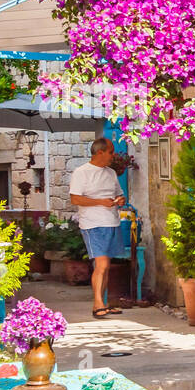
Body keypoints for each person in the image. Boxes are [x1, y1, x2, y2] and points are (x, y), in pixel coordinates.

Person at [69, 137, 126, 319]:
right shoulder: (81, 172)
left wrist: (120, 200)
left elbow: (119, 193)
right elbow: (75, 199)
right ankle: (97, 304)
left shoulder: (111, 173)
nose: (113, 155)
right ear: (99, 153)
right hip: (92, 224)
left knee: (106, 266)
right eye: (111, 152)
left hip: (112, 222)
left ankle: (105, 302)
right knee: (101, 264)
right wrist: (100, 202)